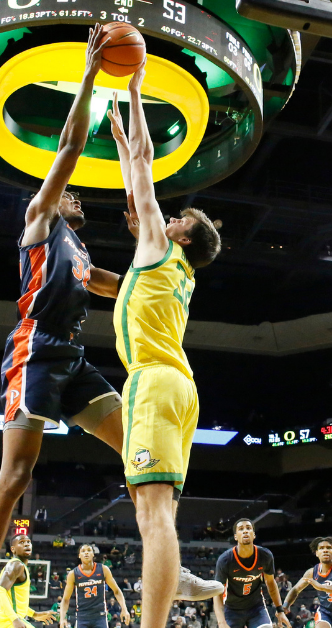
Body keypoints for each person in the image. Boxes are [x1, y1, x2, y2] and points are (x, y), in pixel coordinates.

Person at [0, 27, 218, 628]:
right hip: (34, 351)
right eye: (69, 192)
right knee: (17, 473)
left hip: (72, 358)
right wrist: (96, 76)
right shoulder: (40, 218)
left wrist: (139, 264)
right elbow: (70, 148)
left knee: (138, 457)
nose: (74, 196)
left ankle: (171, 568)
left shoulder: (80, 252)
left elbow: (115, 285)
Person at [105, 44, 223, 628]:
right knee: (153, 508)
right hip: (176, 387)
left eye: (182, 220)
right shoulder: (176, 269)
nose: (170, 216)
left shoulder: (161, 246)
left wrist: (133, 87)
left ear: (183, 238)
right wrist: (125, 151)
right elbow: (138, 178)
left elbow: (149, 168)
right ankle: (178, 583)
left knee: (154, 517)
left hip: (152, 383)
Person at [212, 519, 290, 628]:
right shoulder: (225, 560)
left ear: (253, 535)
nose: (245, 531)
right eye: (241, 529)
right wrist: (221, 623)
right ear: (235, 536)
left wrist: (280, 610)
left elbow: (271, 583)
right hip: (232, 610)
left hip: (256, 608)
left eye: (248, 528)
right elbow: (217, 593)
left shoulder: (265, 555)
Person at [283, 537, 332, 628]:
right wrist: (286, 605)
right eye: (321, 548)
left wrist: (322, 587)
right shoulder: (312, 572)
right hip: (326, 613)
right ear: (316, 553)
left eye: (329, 548)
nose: (325, 550)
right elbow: (296, 589)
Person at [0, 534, 56, 628]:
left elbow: (15, 603)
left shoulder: (19, 566)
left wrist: (34, 614)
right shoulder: (16, 565)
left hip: (5, 619)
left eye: (28, 542)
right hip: (6, 620)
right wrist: (15, 619)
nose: (26, 544)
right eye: (21, 542)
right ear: (13, 549)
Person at [59, 545, 130, 628]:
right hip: (82, 617)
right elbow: (66, 599)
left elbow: (117, 591)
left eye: (89, 550)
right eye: (83, 551)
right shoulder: (73, 574)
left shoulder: (103, 569)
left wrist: (124, 609)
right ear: (79, 555)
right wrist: (62, 618)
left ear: (93, 554)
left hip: (100, 617)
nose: (86, 552)